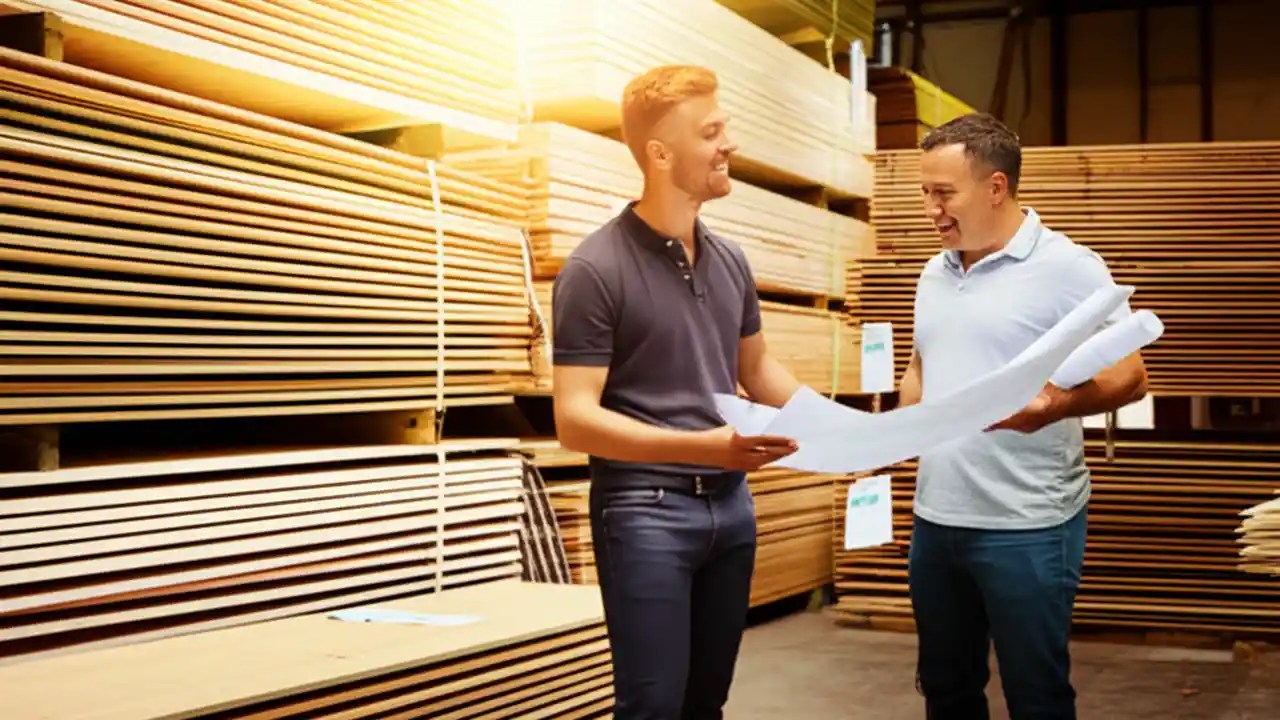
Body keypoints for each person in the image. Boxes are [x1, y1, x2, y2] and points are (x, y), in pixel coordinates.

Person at [550, 65, 803, 719]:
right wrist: (702, 448)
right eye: (712, 131)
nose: (731, 144)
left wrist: (842, 426)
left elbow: (759, 367)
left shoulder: (731, 261)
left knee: (704, 705)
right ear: (660, 154)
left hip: (731, 510)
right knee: (654, 707)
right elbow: (574, 420)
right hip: (645, 512)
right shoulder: (595, 268)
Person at [899, 113, 1148, 719]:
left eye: (943, 193)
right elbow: (919, 365)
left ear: (995, 187)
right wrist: (895, 428)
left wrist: (1055, 406)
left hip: (1028, 524)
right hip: (937, 519)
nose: (931, 209)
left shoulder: (1069, 268)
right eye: (924, 193)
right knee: (945, 685)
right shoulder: (935, 271)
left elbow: (1130, 375)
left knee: (1035, 692)